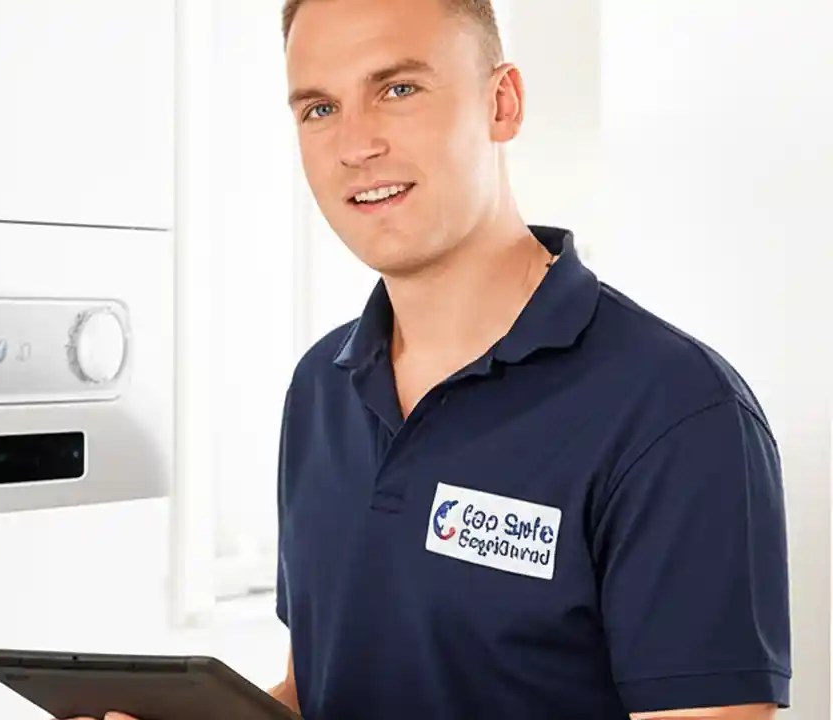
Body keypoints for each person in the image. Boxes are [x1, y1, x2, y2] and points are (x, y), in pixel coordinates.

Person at [71, 0, 791, 718]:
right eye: (319, 109)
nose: (355, 144)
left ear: (501, 103)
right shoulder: (323, 387)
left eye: (398, 89)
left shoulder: (676, 412)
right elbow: (315, 692)